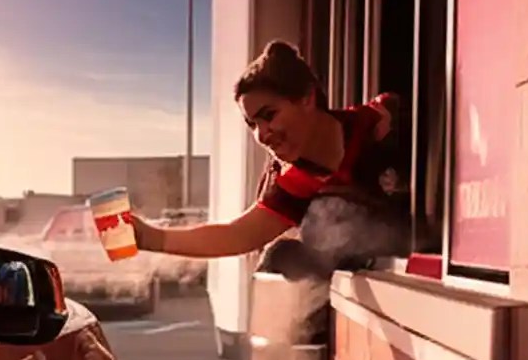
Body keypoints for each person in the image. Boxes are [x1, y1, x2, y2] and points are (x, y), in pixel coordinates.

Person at [132, 40, 410, 279]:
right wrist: (148, 237)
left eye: (269, 115)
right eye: (252, 125)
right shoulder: (296, 181)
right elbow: (237, 235)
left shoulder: (384, 121)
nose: (262, 134)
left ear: (306, 99)